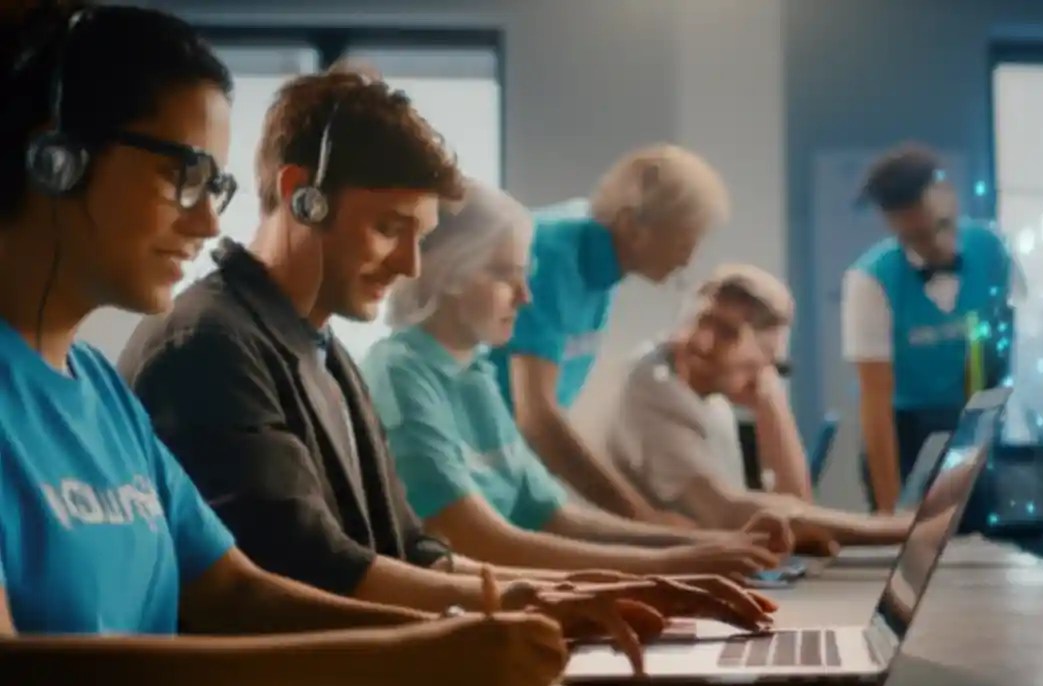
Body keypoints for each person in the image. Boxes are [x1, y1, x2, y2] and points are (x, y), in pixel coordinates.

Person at [0, 4, 565, 686]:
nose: (207, 221)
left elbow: (237, 592)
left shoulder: (101, 394)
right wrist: (408, 660)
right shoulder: (198, 345)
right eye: (182, 174)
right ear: (56, 160)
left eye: (215, 186)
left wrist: (469, 638)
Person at [117, 66, 773, 642]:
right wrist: (528, 604)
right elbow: (313, 573)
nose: (408, 264)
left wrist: (583, 593)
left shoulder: (325, 351)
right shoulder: (209, 346)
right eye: (388, 228)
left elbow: (414, 551)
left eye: (419, 235)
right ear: (301, 196)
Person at [363, 179, 792, 579]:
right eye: (502, 274)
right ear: (446, 272)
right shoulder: (400, 374)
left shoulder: (473, 373)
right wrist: (676, 562)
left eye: (523, 274)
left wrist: (714, 544)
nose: (525, 296)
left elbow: (557, 518)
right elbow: (481, 542)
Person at [488, 144, 731, 528]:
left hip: (510, 475)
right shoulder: (552, 254)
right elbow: (536, 417)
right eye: (685, 240)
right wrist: (642, 519)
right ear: (634, 226)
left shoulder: (605, 264)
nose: (688, 259)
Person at [601, 265, 912, 551]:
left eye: (726, 333)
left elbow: (794, 504)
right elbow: (727, 513)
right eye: (699, 321)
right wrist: (895, 530)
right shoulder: (654, 386)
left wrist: (771, 404)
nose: (701, 343)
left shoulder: (711, 399)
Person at [843, 144, 1022, 512]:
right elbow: (875, 400)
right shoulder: (870, 280)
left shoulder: (993, 250)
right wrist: (889, 510)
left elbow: (1005, 350)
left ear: (949, 196)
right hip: (905, 435)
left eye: (941, 227)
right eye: (916, 237)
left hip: (970, 426)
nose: (935, 245)